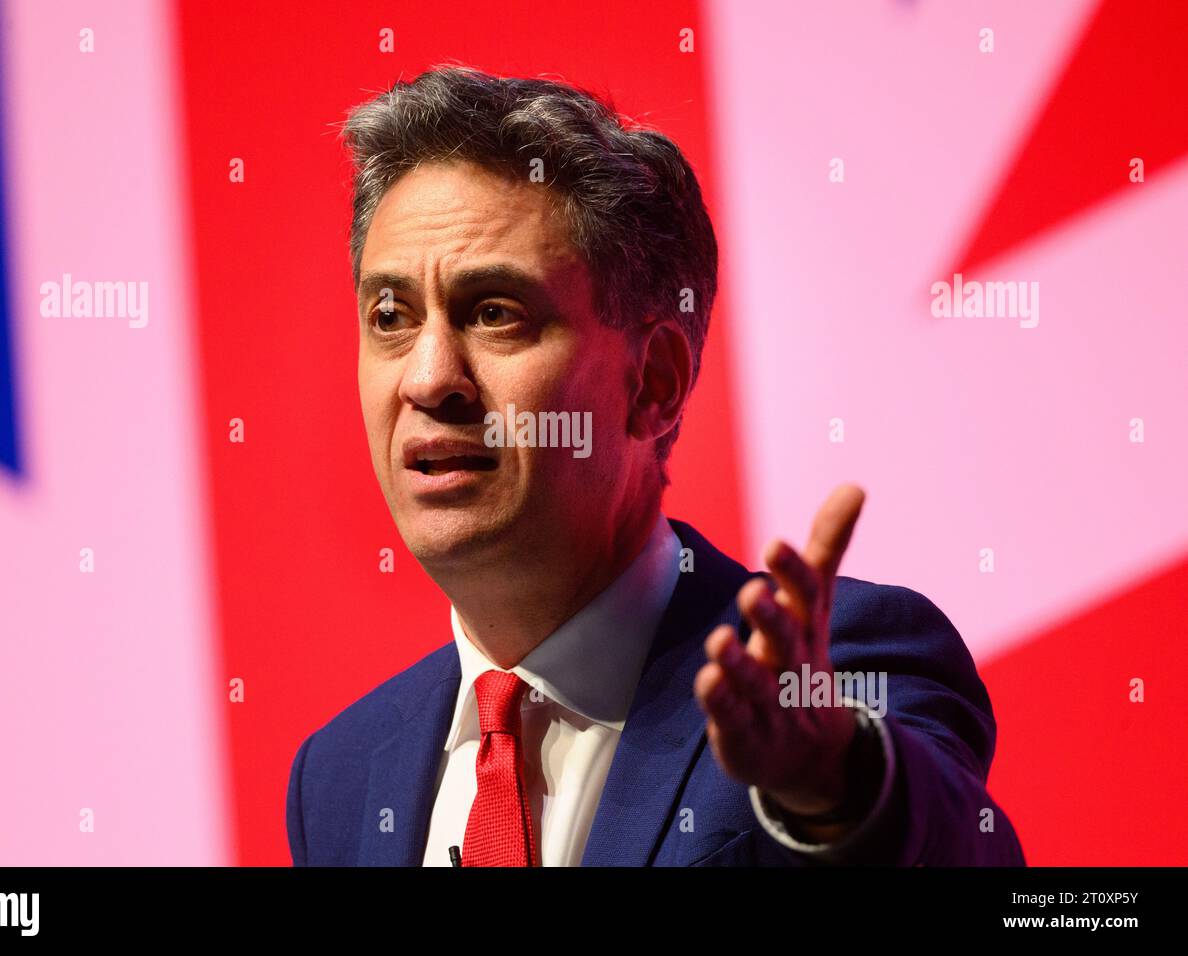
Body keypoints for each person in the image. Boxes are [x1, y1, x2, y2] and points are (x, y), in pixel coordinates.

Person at [286, 64, 1025, 867]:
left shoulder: (830, 671)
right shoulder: (340, 776)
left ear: (655, 383)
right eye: (390, 316)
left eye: (495, 312)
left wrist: (831, 783)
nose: (428, 378)